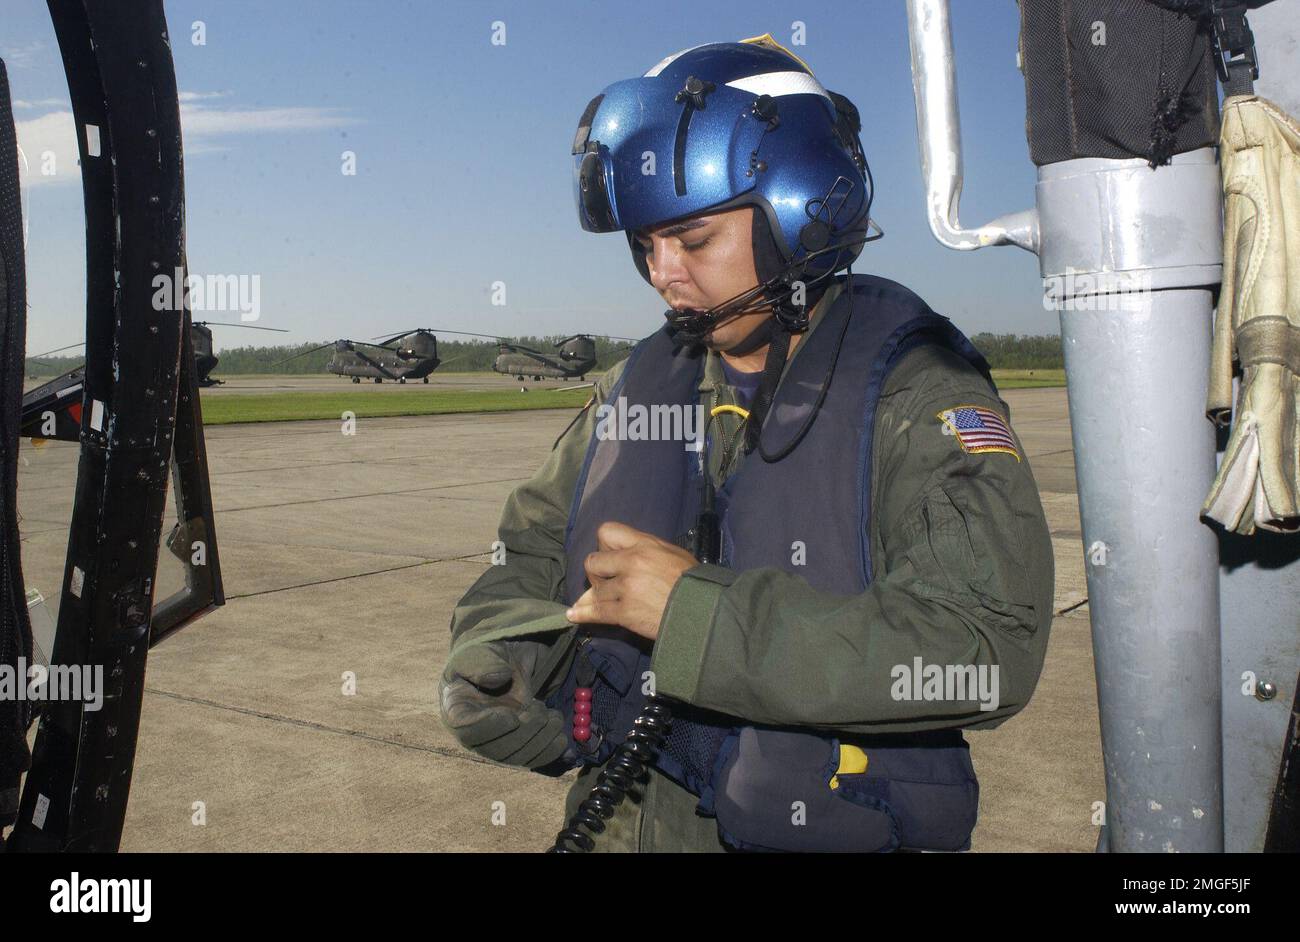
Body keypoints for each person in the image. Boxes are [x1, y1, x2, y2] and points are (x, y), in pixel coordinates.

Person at [440, 34, 1054, 853]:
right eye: (645, 245)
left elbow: (986, 648)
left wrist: (701, 619)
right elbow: (527, 550)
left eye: (693, 242)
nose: (664, 274)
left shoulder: (917, 393)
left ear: (799, 211)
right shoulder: (638, 387)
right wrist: (506, 655)